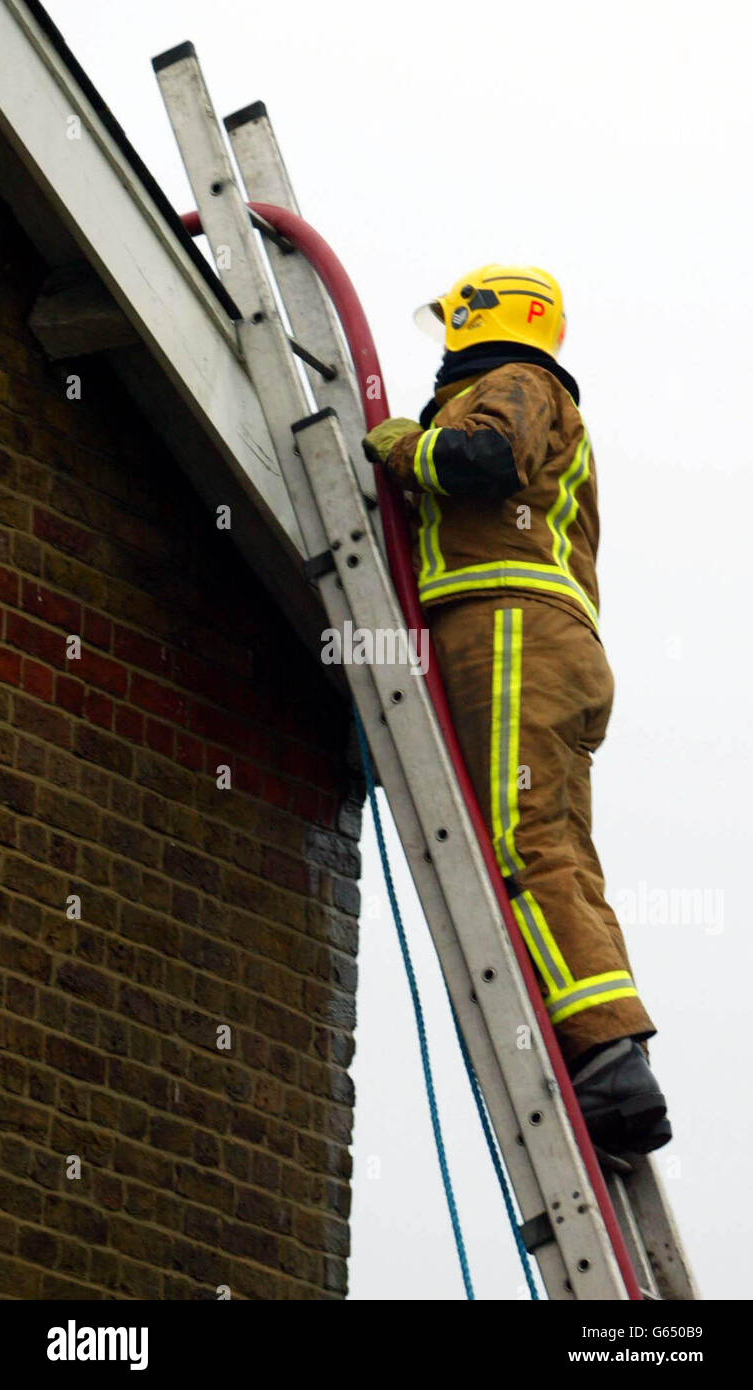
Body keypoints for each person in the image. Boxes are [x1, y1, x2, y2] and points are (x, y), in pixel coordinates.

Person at [363, 264, 670, 1154]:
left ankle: (605, 1063)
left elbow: (478, 460)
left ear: (476, 321)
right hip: (542, 644)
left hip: (509, 635)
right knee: (558, 848)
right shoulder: (535, 390)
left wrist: (399, 447)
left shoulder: (514, 384)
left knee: (516, 842)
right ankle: (612, 1056)